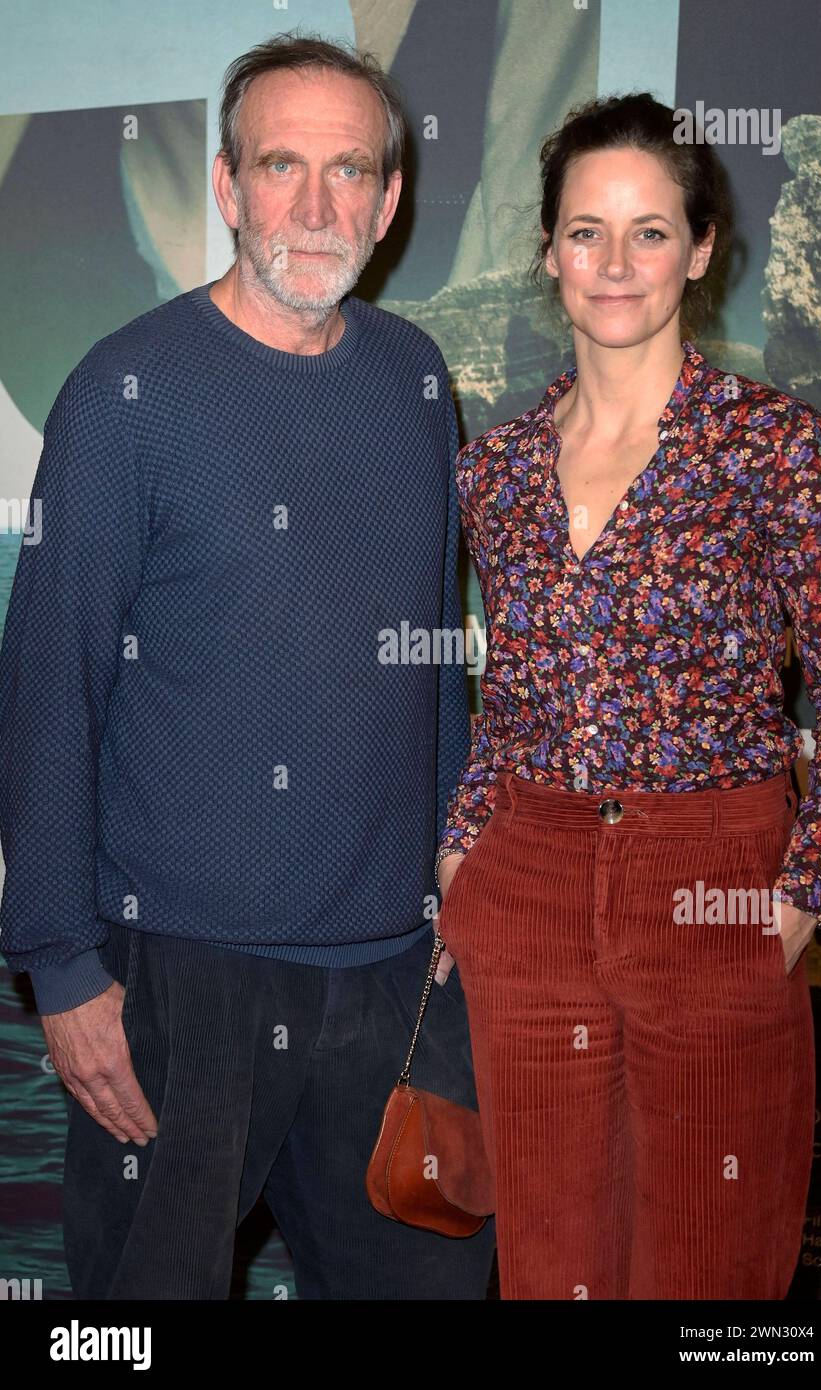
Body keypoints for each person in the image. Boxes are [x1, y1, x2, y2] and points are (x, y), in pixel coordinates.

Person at [0, 32, 495, 1300]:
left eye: (351, 172)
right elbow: (49, 691)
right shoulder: (124, 396)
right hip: (177, 989)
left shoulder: (415, 384)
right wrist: (60, 965)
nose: (317, 205)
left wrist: (457, 877)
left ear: (391, 203)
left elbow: (433, 667)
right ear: (227, 187)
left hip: (393, 976)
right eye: (284, 165)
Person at [433, 92, 821, 1301]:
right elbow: (508, 691)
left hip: (717, 886)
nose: (615, 264)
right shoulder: (499, 469)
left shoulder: (775, 446)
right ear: (548, 251)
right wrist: (466, 858)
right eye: (585, 232)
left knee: (710, 1276)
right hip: (528, 891)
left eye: (650, 231)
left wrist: (801, 891)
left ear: (704, 246)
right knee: (552, 1271)